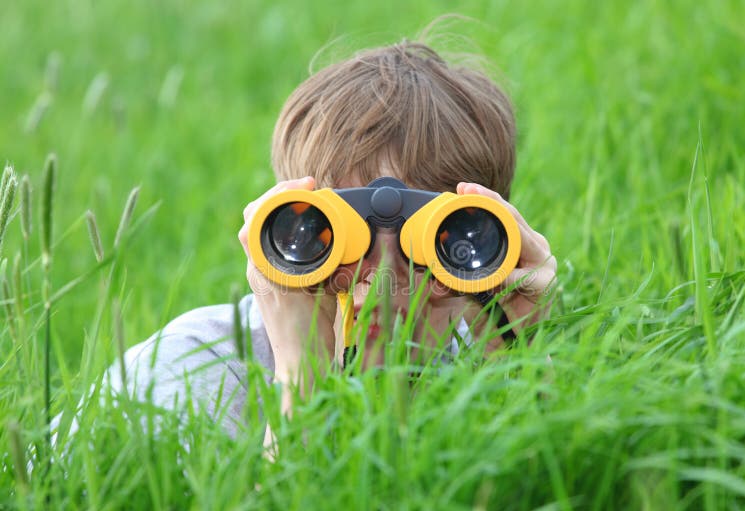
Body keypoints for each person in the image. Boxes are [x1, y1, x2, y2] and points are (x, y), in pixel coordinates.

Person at [96, 38, 557, 448]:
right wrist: (301, 376)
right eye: (341, 239)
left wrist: (519, 359)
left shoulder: (482, 357)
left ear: (488, 246)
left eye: (432, 242)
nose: (379, 281)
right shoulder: (191, 370)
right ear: (285, 236)